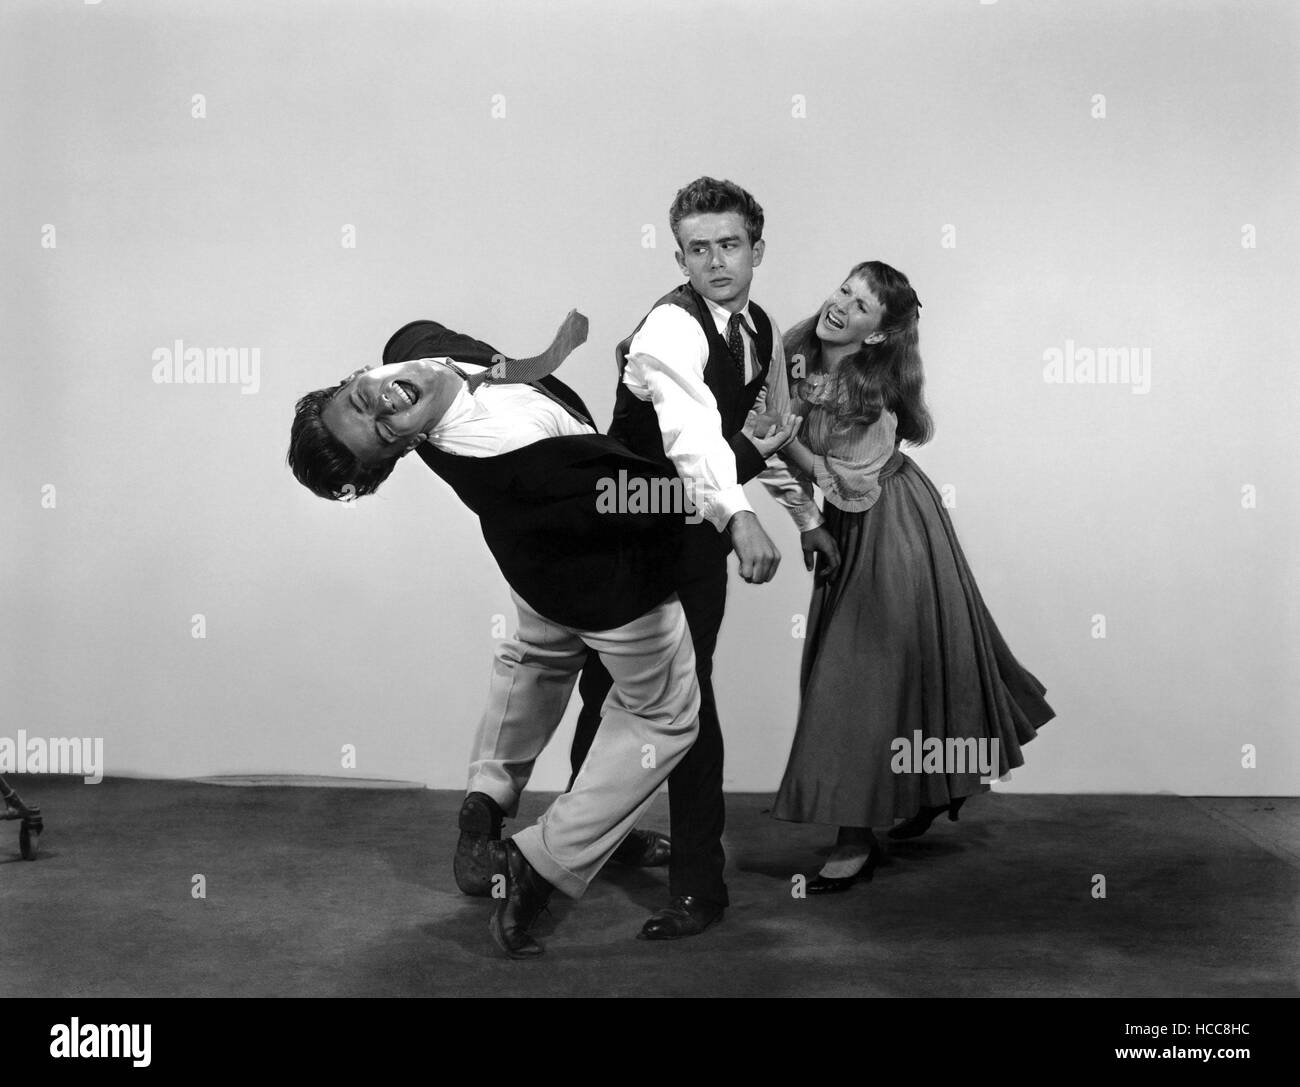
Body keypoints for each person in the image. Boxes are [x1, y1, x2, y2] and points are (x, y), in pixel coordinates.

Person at [286, 312, 793, 956]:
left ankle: (487, 801)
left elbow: (499, 373)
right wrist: (749, 456)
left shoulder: (418, 344)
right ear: (404, 449)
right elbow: (646, 500)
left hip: (534, 565)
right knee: (665, 718)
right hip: (606, 586)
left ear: (357, 374)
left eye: (365, 397)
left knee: (537, 665)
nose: (388, 403)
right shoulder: (513, 463)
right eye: (384, 431)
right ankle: (544, 860)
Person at [568, 177, 829, 939]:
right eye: (699, 248)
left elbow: (764, 431)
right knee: (607, 690)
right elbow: (689, 433)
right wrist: (741, 519)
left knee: (685, 702)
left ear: (757, 249)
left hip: (689, 531)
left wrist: (804, 517)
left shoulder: (759, 328)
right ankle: (625, 850)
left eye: (730, 245)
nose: (716, 261)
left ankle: (694, 884)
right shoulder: (668, 331)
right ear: (678, 253)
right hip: (627, 525)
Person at [767, 261, 1056, 892]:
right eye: (844, 288)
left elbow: (846, 479)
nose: (841, 304)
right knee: (881, 670)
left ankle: (853, 837)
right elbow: (765, 433)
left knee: (859, 678)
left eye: (862, 306)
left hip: (890, 523)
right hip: (845, 524)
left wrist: (783, 443)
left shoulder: (870, 395)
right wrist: (801, 510)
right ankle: (930, 785)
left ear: (875, 336)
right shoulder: (791, 350)